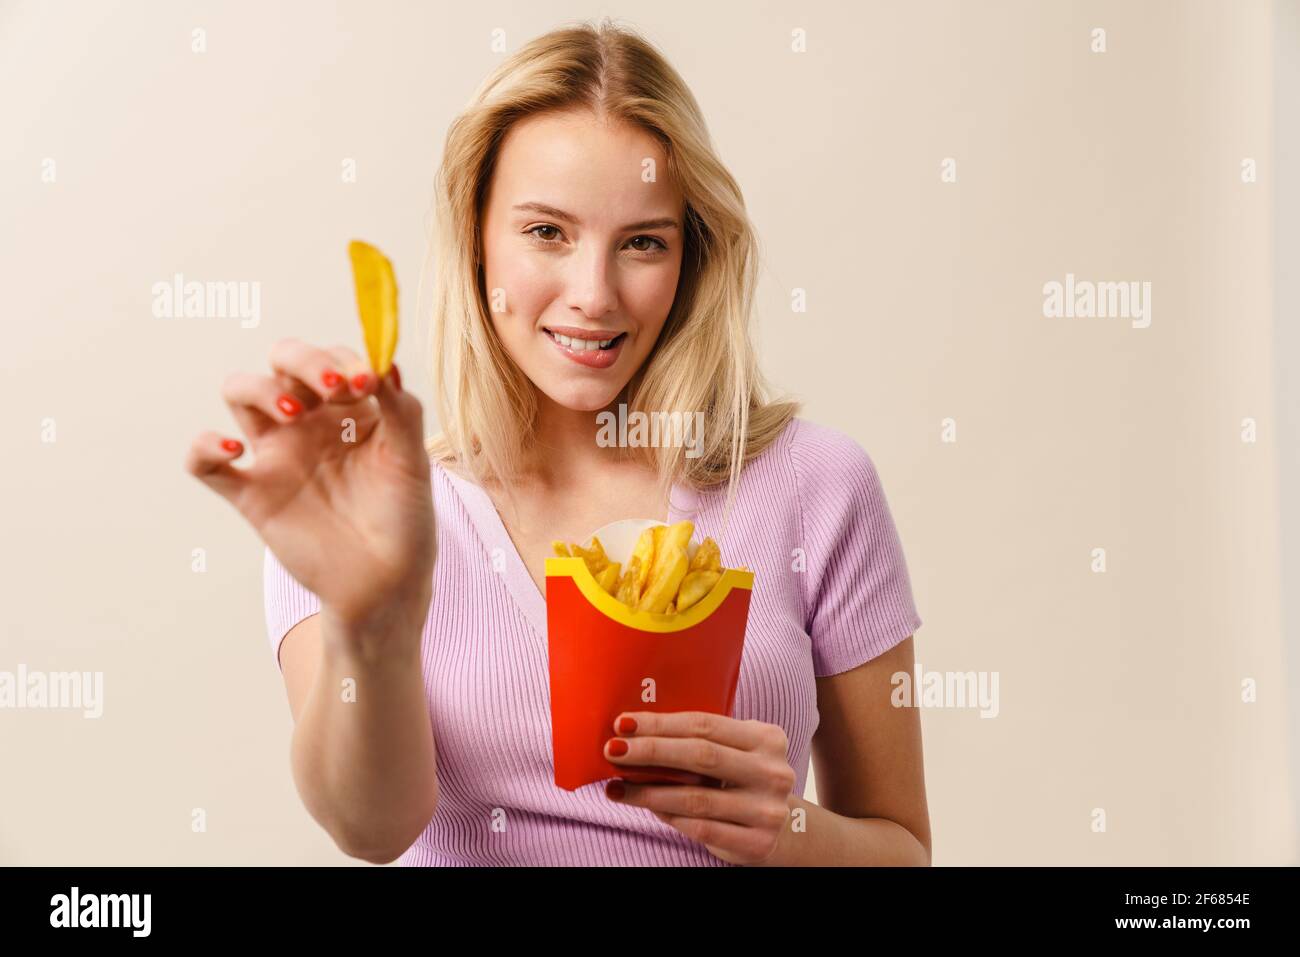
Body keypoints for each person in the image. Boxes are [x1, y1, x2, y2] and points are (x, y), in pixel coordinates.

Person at [185, 18, 929, 866]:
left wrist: (789, 828)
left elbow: (901, 851)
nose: (594, 295)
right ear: (476, 242)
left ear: (692, 258)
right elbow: (371, 828)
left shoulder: (817, 484)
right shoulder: (366, 507)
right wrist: (374, 623)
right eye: (547, 232)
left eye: (643, 242)